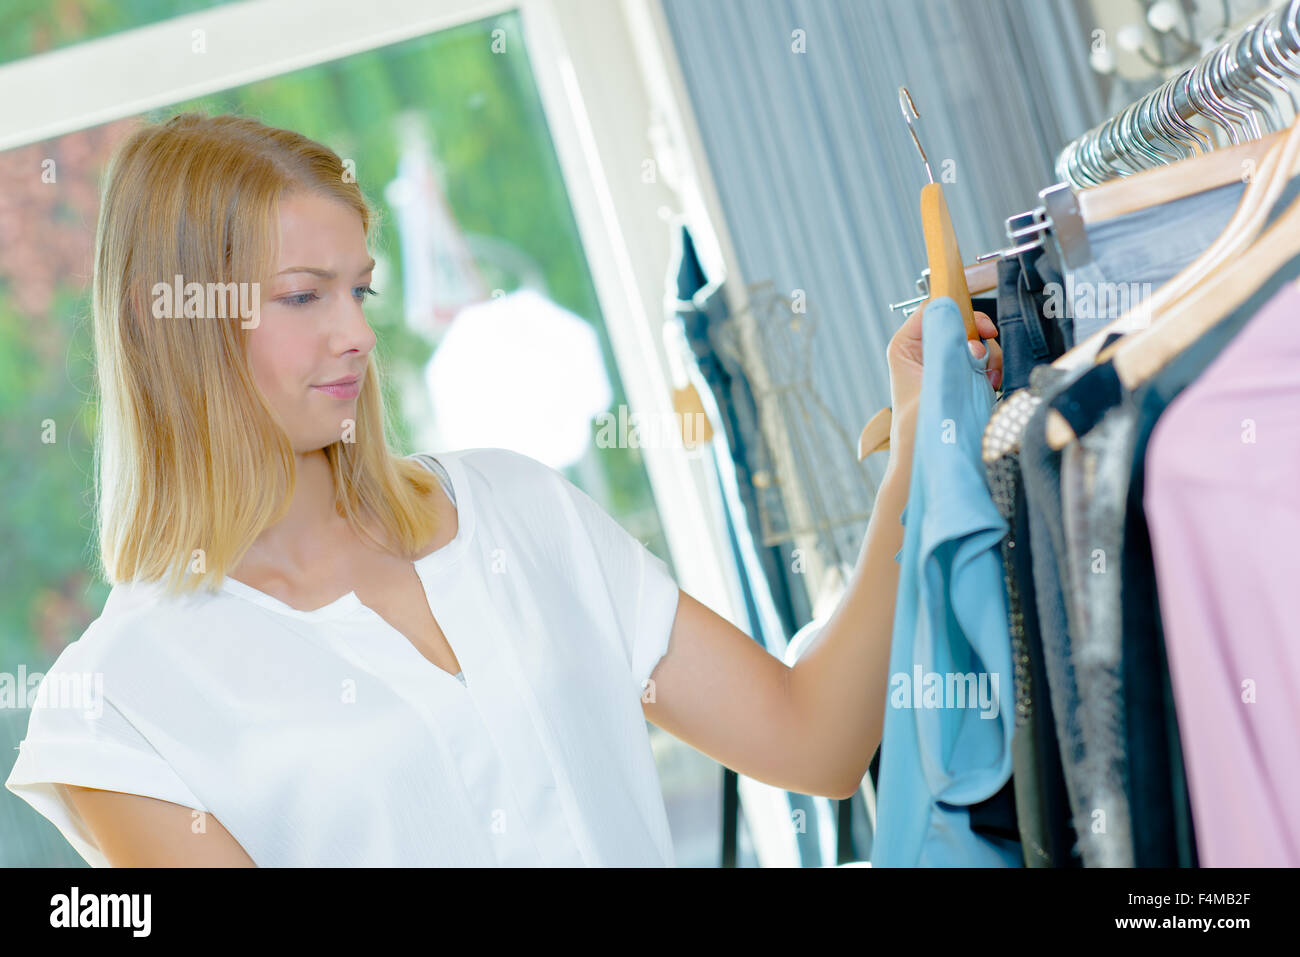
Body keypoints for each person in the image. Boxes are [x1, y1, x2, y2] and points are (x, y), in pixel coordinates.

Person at [6, 112, 1001, 866]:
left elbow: (812, 737)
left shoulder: (514, 512)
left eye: (360, 290)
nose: (354, 332)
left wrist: (917, 450)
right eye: (303, 296)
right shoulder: (120, 710)